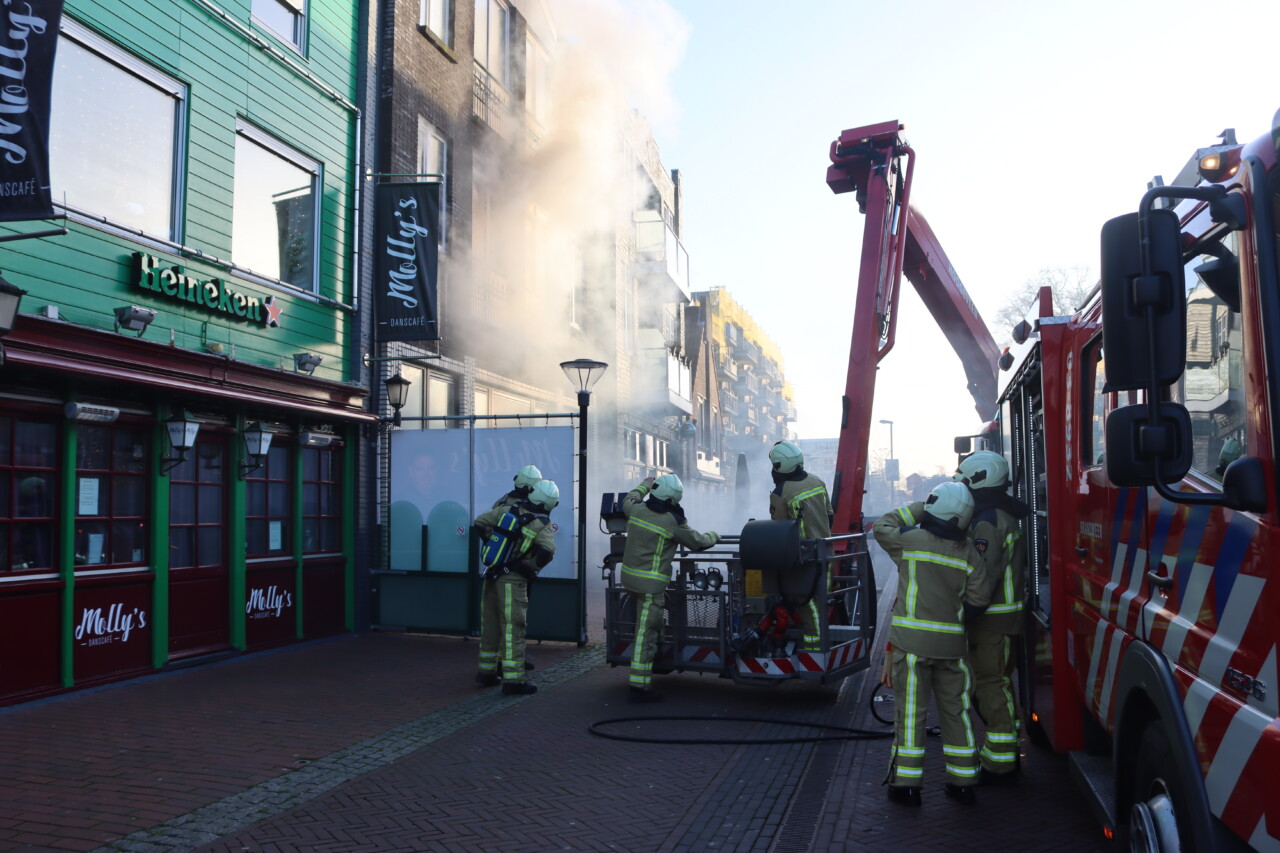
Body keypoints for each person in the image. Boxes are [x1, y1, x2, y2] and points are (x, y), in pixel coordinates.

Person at [873, 481, 991, 807]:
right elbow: (979, 598)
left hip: (911, 648)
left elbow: (881, 526)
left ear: (934, 508)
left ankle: (906, 787)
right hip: (953, 649)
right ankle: (963, 783)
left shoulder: (910, 542)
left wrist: (917, 509)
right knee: (957, 714)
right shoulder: (969, 553)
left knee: (912, 714)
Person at [954, 450, 1030, 785]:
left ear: (978, 479)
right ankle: (1007, 747)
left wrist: (964, 614)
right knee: (995, 683)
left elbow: (983, 577)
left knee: (990, 685)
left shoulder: (987, 521)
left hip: (991, 620)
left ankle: (1001, 763)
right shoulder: (997, 513)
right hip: (999, 618)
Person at [620, 473, 719, 703]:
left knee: (651, 624)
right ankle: (639, 686)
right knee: (645, 634)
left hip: (629, 579)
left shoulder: (635, 509)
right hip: (650, 586)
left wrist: (645, 484)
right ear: (674, 499)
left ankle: (658, 650)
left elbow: (629, 498)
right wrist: (715, 535)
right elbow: (698, 542)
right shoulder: (672, 522)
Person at [473, 479, 559, 696]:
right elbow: (548, 550)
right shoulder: (542, 523)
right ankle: (514, 681)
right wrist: (530, 566)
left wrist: (493, 545)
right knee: (514, 627)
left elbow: (480, 522)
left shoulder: (508, 509)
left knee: (490, 624)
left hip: (491, 575)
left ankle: (486, 672)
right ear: (549, 503)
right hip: (512, 581)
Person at [767, 440, 834, 650]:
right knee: (820, 601)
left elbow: (778, 530)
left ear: (778, 466)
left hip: (802, 560)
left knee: (807, 606)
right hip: (826, 553)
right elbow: (830, 516)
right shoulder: (817, 482)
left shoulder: (781, 492)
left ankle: (815, 651)